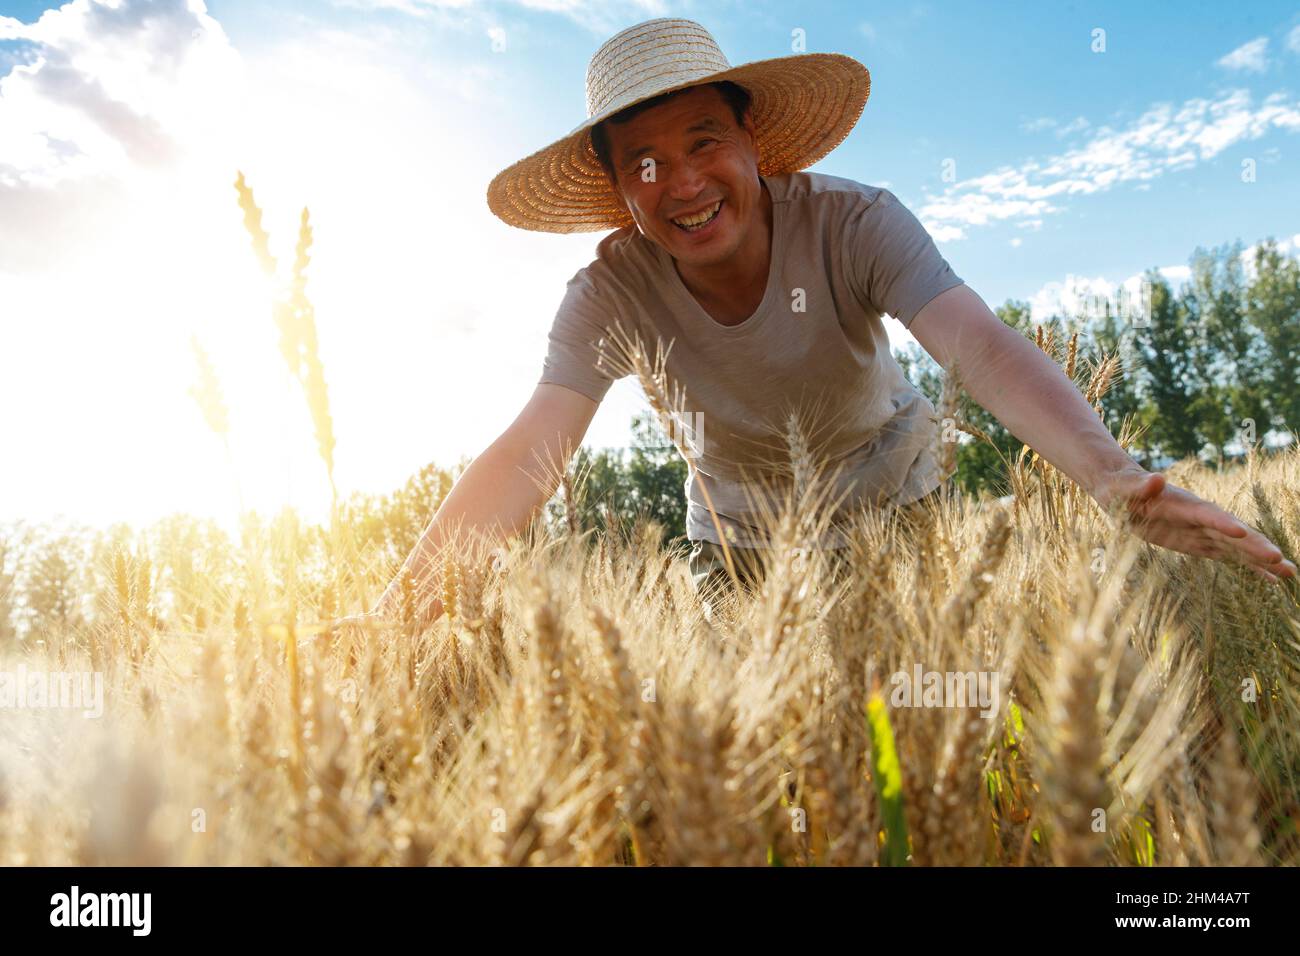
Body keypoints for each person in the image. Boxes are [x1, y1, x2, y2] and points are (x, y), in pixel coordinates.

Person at [359, 17, 1294, 628]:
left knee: (931, 682)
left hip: (895, 481)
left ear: (753, 145)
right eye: (642, 163)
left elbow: (979, 346)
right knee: (774, 746)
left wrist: (1117, 479)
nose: (679, 184)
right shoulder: (608, 293)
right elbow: (534, 448)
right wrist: (403, 610)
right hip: (737, 525)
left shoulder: (855, 222)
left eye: (703, 143)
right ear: (615, 189)